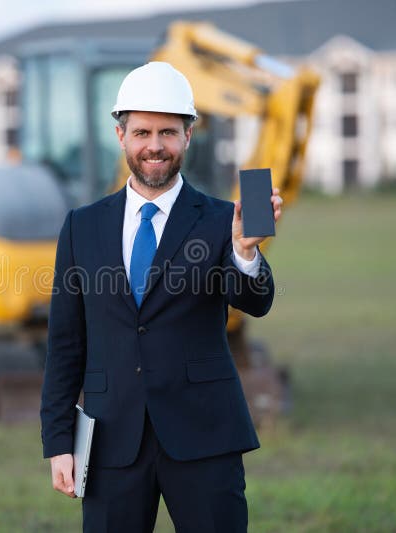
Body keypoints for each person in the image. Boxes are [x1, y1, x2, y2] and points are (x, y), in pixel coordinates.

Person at [40, 61, 283, 533]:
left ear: (188, 136)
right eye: (143, 132)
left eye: (168, 133)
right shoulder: (82, 226)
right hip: (112, 442)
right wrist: (58, 440)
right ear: (121, 135)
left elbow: (257, 301)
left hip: (205, 436)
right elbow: (65, 342)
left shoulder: (220, 220)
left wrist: (244, 252)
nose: (155, 145)